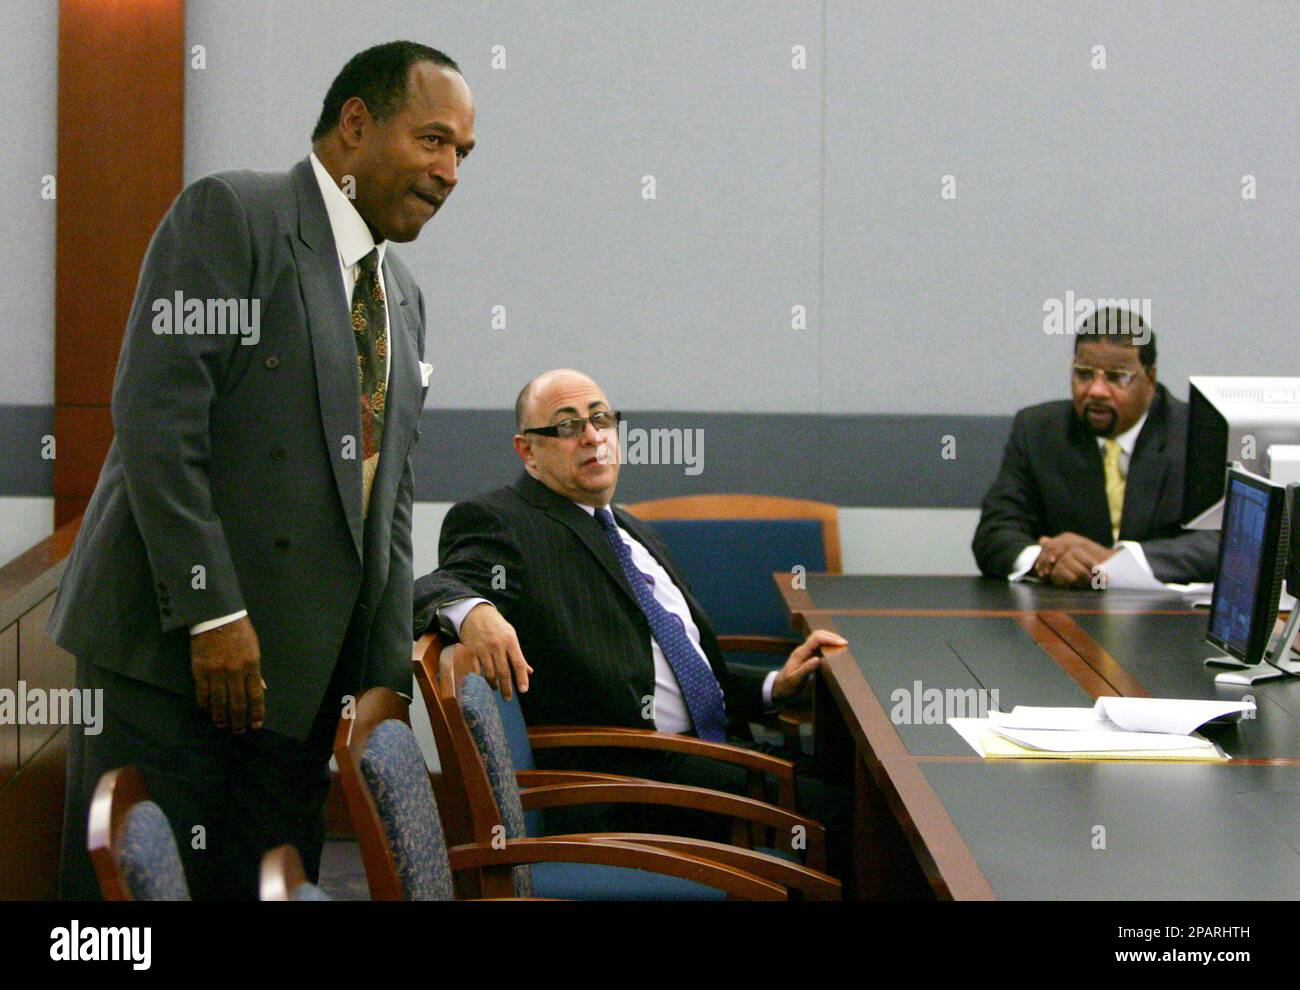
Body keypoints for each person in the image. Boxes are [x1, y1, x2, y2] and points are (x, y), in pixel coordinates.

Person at [50, 41, 476, 899]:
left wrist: (383, 680)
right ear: (356, 124)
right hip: (170, 665)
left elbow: (388, 504)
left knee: (267, 884)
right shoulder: (233, 215)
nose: (450, 171)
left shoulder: (405, 301)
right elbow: (157, 423)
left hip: (297, 693)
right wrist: (214, 614)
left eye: (462, 154)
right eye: (433, 140)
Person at [413, 368, 850, 876]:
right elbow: (427, 589)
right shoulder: (502, 520)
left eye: (601, 419)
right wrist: (476, 612)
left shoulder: (627, 526)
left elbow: (666, 663)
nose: (593, 436)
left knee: (862, 783)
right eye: (568, 425)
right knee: (851, 816)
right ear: (528, 451)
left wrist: (776, 686)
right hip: (627, 781)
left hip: (707, 752)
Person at [972, 307, 1218, 586]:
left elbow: (1221, 543)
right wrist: (1044, 560)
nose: (1096, 390)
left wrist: (1119, 561)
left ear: (1149, 377)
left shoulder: (1195, 434)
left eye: (1116, 377)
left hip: (1165, 618)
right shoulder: (1038, 430)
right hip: (1065, 612)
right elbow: (995, 531)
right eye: (1084, 374)